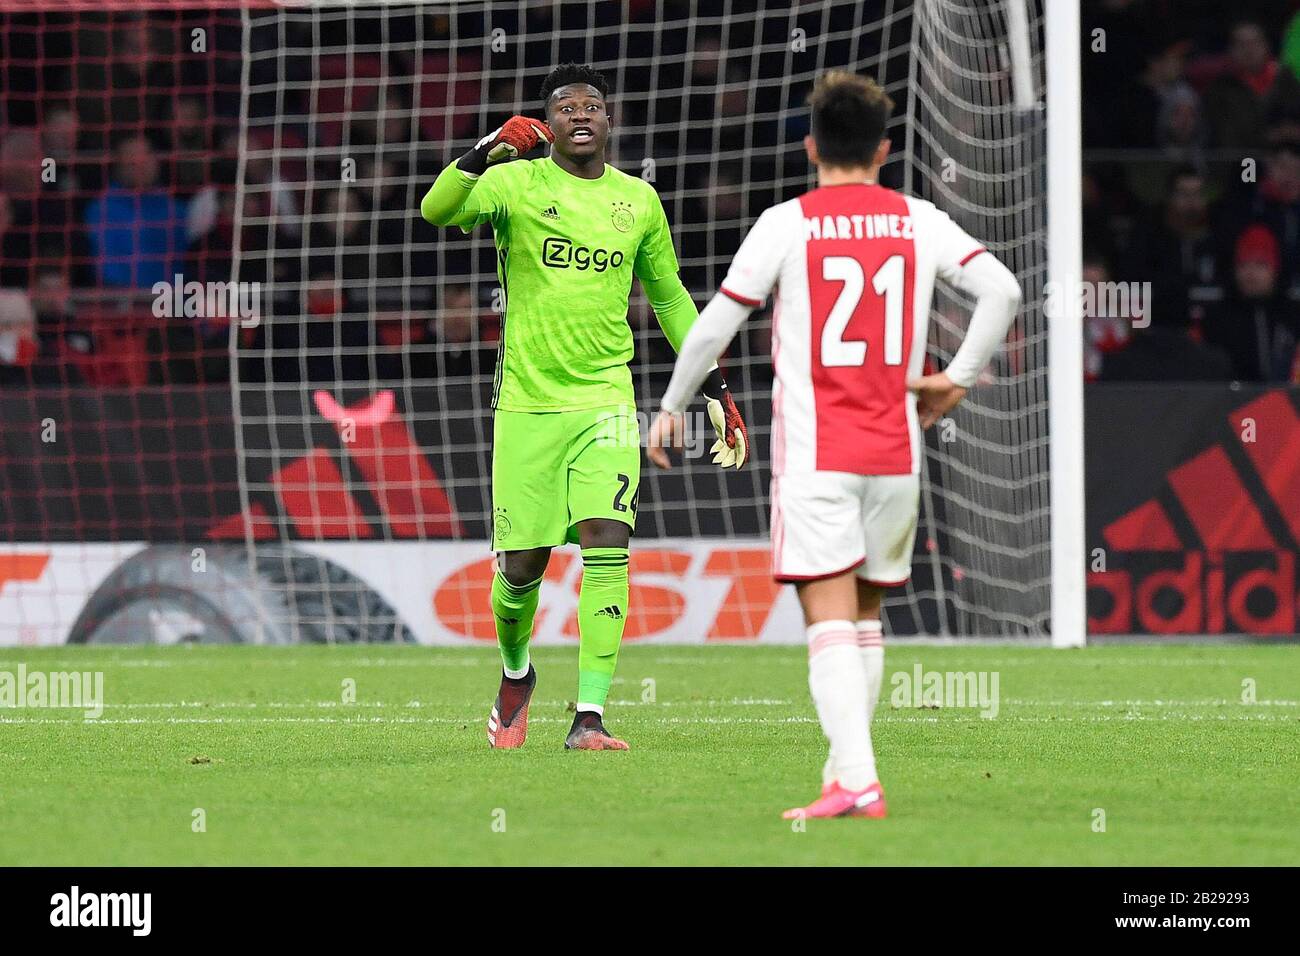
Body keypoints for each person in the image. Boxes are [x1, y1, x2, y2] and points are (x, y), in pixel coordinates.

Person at [647, 71, 1020, 818]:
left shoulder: (787, 223)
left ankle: (856, 778)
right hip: (896, 455)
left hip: (817, 457)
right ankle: (845, 770)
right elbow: (1004, 290)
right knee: (865, 619)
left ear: (811, 145)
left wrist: (671, 405)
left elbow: (716, 322)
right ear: (884, 148)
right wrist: (955, 378)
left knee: (826, 622)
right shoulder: (918, 219)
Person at [420, 63, 748, 751]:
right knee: (521, 569)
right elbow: (436, 210)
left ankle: (590, 717)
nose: (580, 113)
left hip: (605, 402)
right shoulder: (513, 184)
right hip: (528, 407)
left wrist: (715, 386)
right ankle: (517, 675)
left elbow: (671, 300)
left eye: (592, 105)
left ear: (608, 121)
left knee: (608, 543)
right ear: (547, 121)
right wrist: (483, 151)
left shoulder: (639, 202)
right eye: (566, 105)